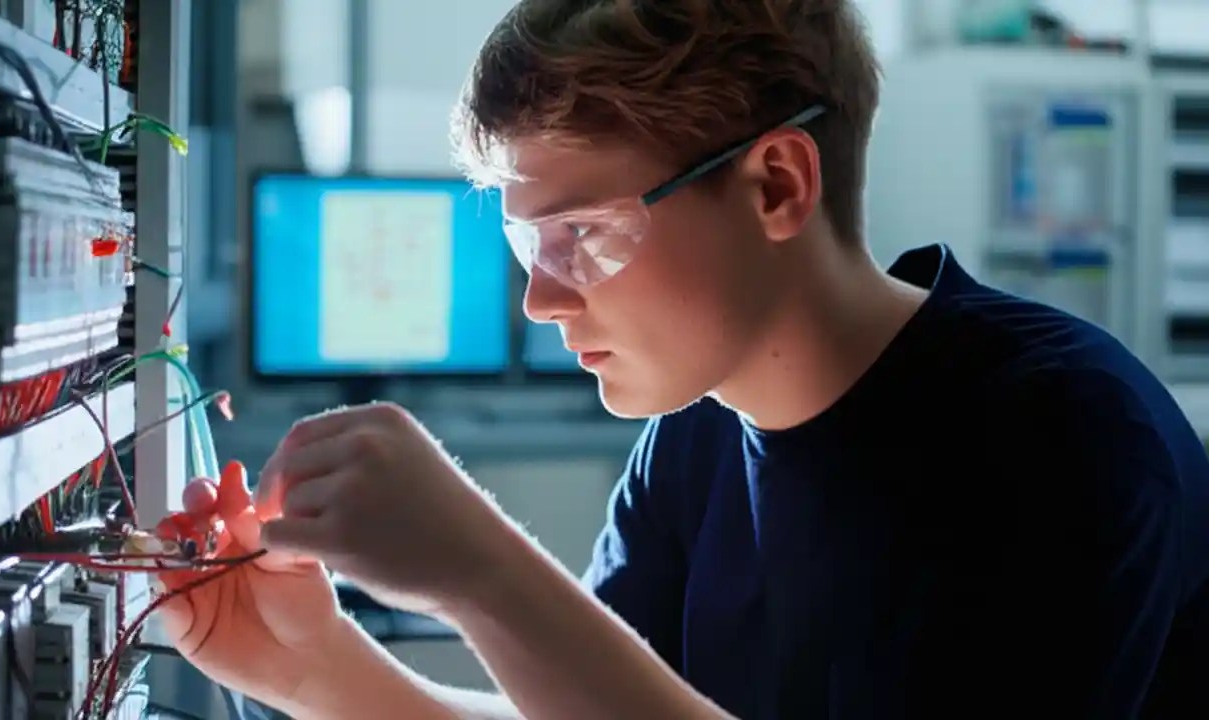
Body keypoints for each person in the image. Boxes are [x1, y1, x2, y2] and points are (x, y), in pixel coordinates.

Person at [158, 0, 1209, 717]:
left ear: (775, 187)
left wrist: (480, 572)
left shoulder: (1059, 436)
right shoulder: (695, 438)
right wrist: (318, 671)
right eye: (530, 245)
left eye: (583, 236)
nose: (539, 299)